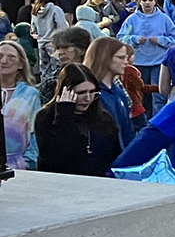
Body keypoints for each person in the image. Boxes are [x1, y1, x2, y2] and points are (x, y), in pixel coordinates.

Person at [34, 63, 123, 176]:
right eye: (81, 93)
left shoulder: (104, 119)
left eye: (92, 92)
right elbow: (55, 157)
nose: (88, 98)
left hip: (99, 181)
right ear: (66, 92)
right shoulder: (45, 117)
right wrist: (65, 114)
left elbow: (114, 152)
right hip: (61, 181)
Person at [117, 0, 175, 115]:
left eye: (150, 0)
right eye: (144, 0)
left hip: (158, 62)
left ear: (155, 2)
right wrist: (134, 39)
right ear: (139, 2)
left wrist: (161, 40)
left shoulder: (164, 19)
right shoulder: (132, 19)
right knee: (139, 94)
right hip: (138, 62)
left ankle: (158, 121)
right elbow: (121, 38)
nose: (147, 3)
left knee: (158, 94)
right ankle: (142, 121)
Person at [83, 35, 136, 146]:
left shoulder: (119, 91)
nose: (126, 62)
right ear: (104, 58)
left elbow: (128, 131)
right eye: (121, 58)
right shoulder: (89, 93)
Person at [1, 39, 41, 170]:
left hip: (17, 166)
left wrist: (28, 162)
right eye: (0, 56)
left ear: (21, 64)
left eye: (11, 57)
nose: (4, 61)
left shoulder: (30, 94)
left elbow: (34, 132)